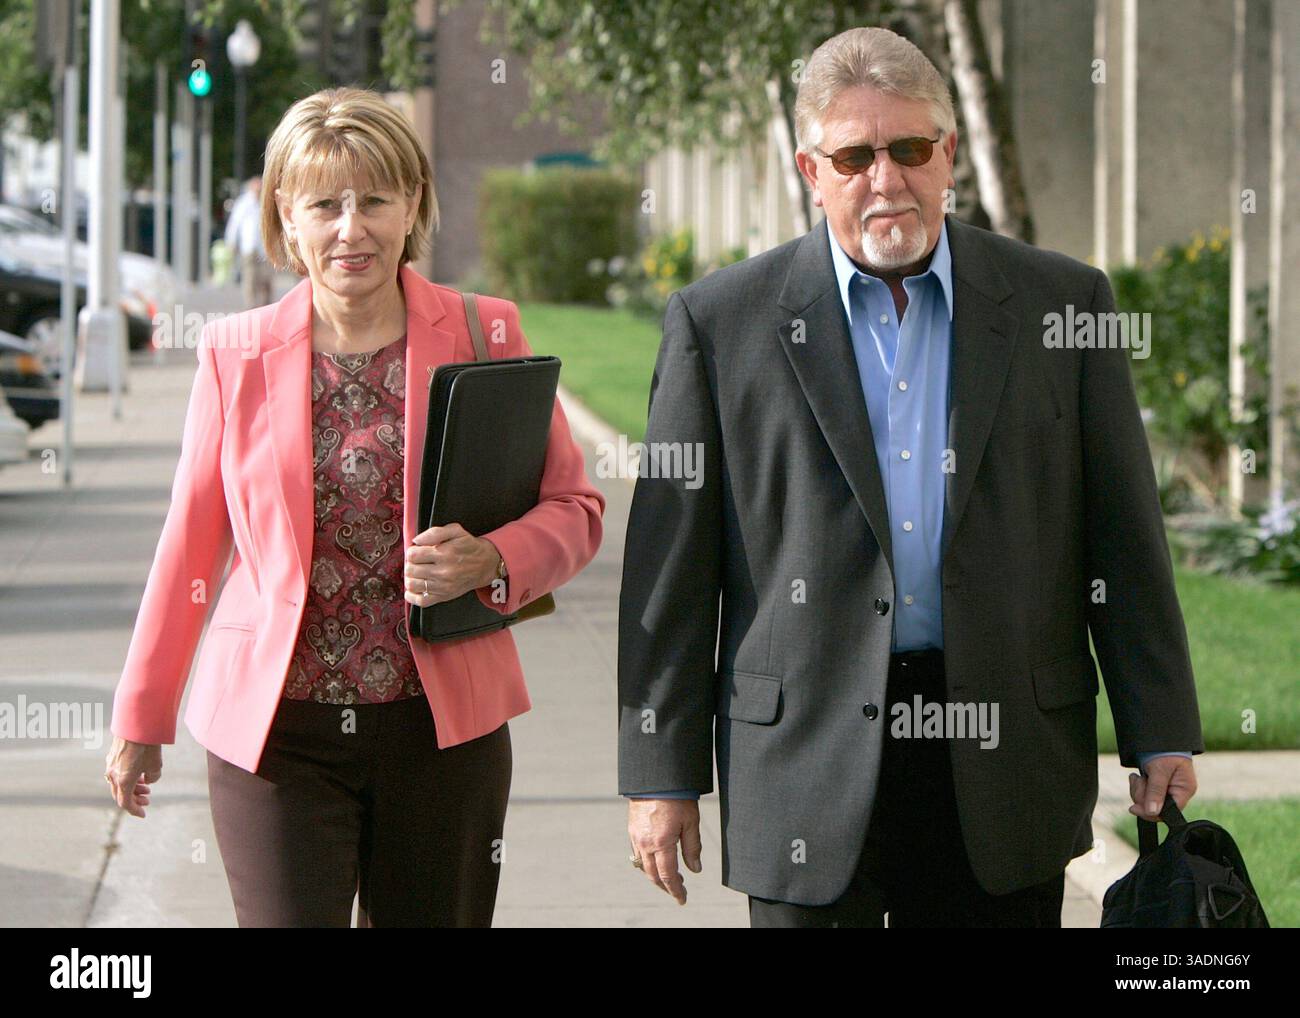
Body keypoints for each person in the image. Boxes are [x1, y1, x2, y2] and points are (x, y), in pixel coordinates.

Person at [617, 27, 1202, 928]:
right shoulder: (717, 324)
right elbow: (671, 570)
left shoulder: (1064, 304)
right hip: (803, 756)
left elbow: (1123, 535)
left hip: (1004, 749)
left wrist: (1158, 724)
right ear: (813, 172)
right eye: (854, 156)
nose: (886, 179)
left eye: (910, 149)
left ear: (950, 155)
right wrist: (662, 772)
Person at [106, 86, 605, 927]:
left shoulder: (488, 333)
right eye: (325, 205)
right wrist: (141, 715)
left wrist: (494, 560)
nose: (352, 228)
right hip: (277, 738)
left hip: (443, 738)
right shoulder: (236, 354)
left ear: (412, 205)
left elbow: (576, 507)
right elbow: (190, 546)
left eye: (375, 199)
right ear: (285, 220)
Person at [224, 175, 274, 307]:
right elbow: (235, 223)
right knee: (250, 279)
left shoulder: (267, 202)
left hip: (265, 248)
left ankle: (266, 307)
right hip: (249, 248)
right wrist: (231, 242)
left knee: (266, 280)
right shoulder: (244, 203)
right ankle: (251, 307)